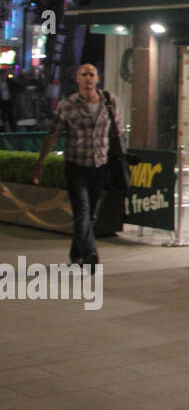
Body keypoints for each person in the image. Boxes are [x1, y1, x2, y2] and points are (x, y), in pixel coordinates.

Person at [32, 64, 123, 266]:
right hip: (76, 166)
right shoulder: (68, 105)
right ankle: (91, 252)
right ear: (77, 79)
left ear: (98, 78)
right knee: (82, 211)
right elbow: (54, 134)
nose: (88, 78)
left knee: (90, 215)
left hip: (100, 166)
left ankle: (76, 255)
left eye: (92, 74)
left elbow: (116, 132)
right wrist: (40, 163)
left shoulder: (109, 102)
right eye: (84, 75)